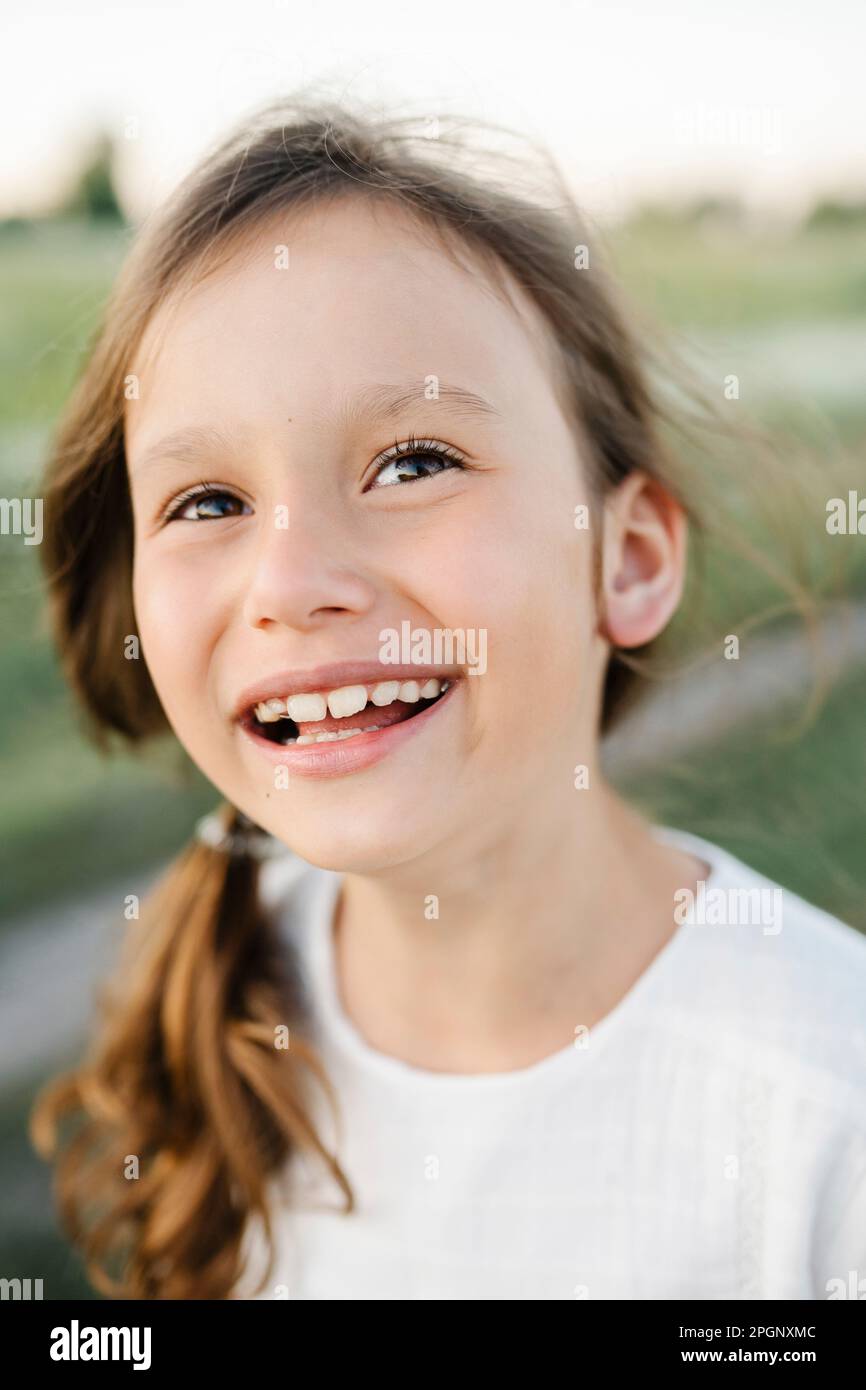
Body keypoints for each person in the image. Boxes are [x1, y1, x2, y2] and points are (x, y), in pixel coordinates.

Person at [30, 97, 866, 1300]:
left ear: (623, 557)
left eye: (412, 463)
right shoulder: (214, 1000)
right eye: (207, 501)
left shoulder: (825, 1121)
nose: (292, 582)